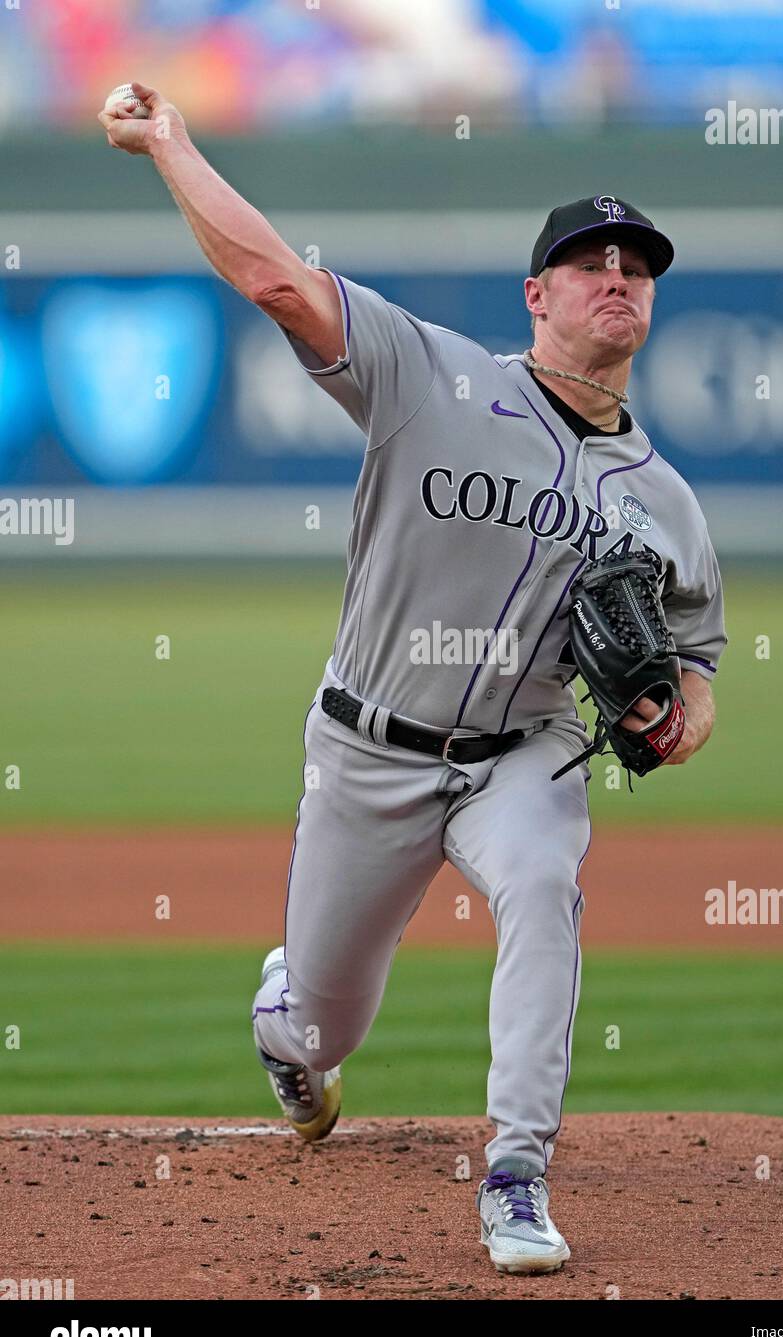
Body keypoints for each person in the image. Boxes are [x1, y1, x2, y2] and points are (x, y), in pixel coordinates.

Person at [100, 85, 726, 1276]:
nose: (615, 278)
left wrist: (675, 718)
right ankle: (290, 1018)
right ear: (535, 297)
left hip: (524, 754)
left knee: (545, 882)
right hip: (368, 753)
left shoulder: (668, 503)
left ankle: (516, 1173)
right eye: (588, 263)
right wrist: (173, 143)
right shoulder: (426, 374)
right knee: (320, 1023)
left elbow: (696, 674)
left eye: (635, 268)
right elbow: (280, 282)